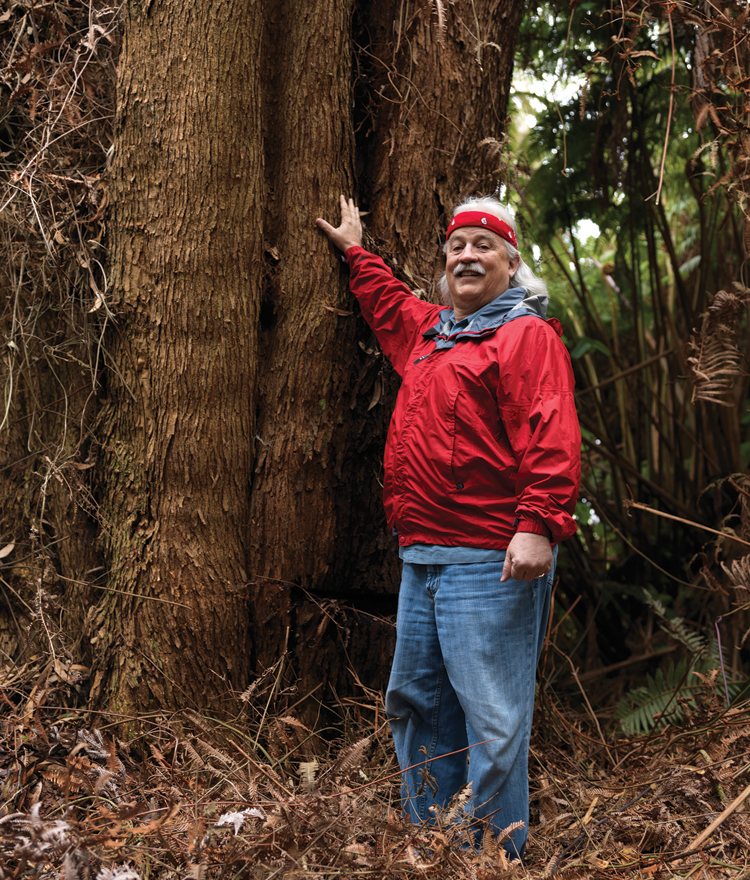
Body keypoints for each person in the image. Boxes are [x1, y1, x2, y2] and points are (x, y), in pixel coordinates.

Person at [316, 194, 581, 858]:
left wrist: (540, 525)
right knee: (417, 702)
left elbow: (551, 433)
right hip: (424, 556)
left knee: (491, 719)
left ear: (511, 263)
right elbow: (390, 304)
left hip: (492, 557)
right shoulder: (434, 331)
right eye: (457, 245)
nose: (467, 255)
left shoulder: (524, 335)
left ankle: (493, 858)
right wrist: (355, 252)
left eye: (483, 246)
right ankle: (439, 848)